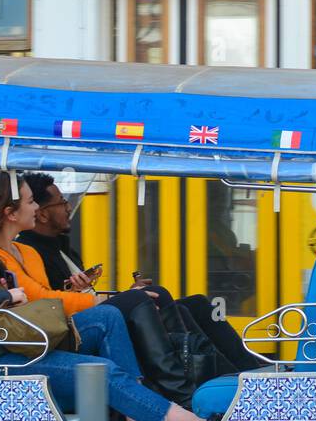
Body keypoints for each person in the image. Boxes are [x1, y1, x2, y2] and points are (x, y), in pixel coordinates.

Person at [0, 171, 216, 421]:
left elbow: (44, 304)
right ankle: (178, 406)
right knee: (129, 307)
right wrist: (95, 300)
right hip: (23, 346)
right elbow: (40, 298)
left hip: (45, 334)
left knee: (116, 313)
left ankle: (139, 416)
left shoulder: (29, 252)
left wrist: (80, 294)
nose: (35, 207)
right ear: (10, 213)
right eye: (29, 202)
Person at [14, 171, 265, 400]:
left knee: (197, 303)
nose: (68, 207)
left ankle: (245, 373)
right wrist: (125, 297)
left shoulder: (59, 246)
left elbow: (68, 292)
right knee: (159, 298)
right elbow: (48, 301)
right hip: (80, 324)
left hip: (89, 311)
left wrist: (118, 293)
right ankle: (209, 388)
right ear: (43, 213)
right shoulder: (31, 249)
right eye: (61, 202)